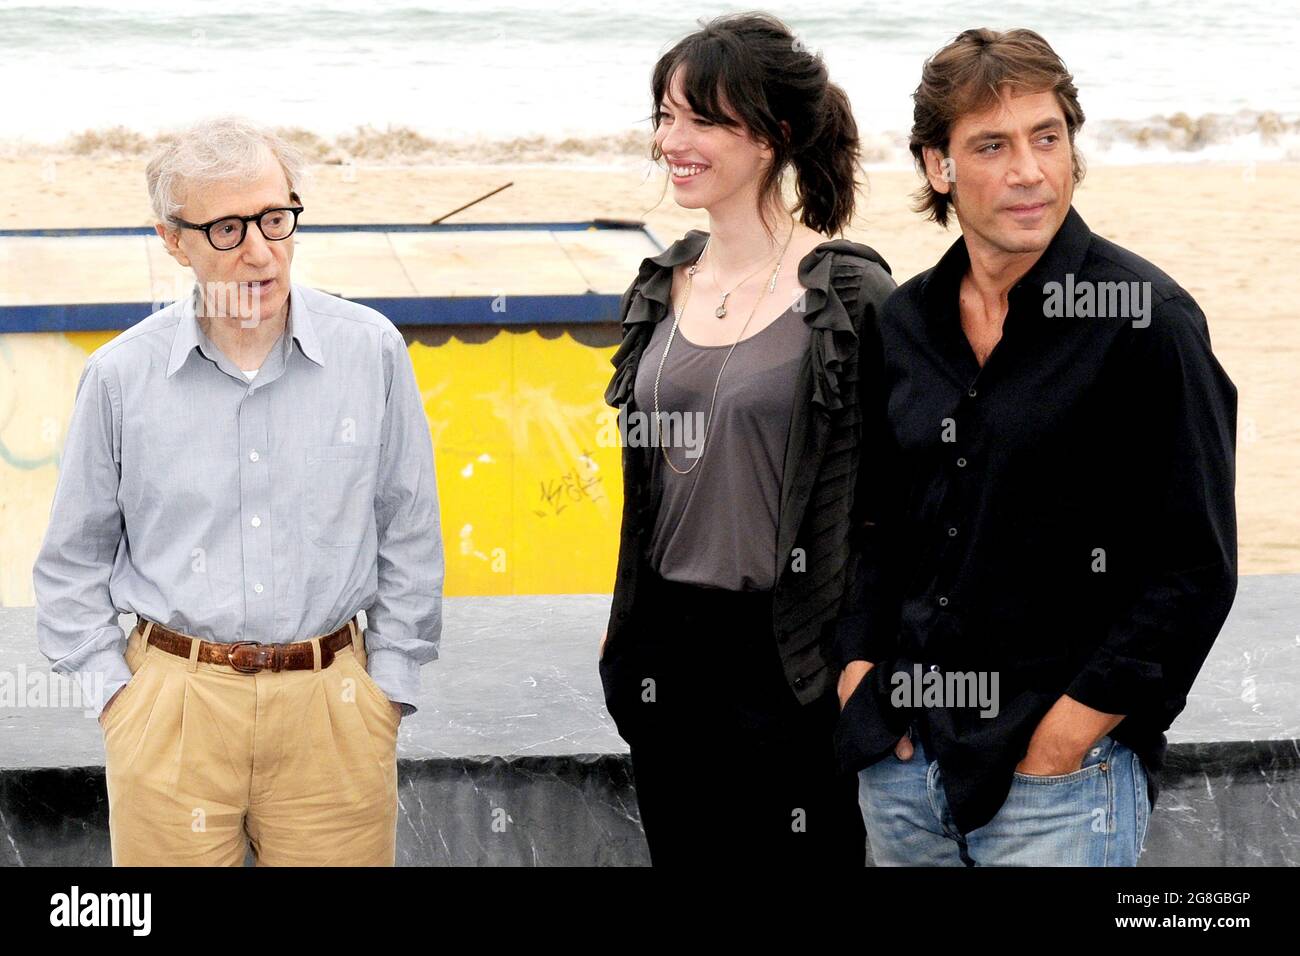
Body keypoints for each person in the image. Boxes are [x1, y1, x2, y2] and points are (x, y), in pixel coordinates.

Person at [832, 28, 1238, 866]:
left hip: (1061, 788)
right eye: (992, 145)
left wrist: (1064, 740)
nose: (1030, 171)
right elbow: (880, 528)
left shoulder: (1147, 323)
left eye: (1047, 138)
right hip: (905, 768)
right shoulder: (907, 325)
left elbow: (1194, 567)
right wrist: (861, 676)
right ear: (937, 166)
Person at [32, 116, 444, 866]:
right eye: (226, 228)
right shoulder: (121, 377)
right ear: (172, 240)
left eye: (276, 219)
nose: (260, 250)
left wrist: (388, 687)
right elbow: (70, 563)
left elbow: (408, 528)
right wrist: (121, 701)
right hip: (171, 713)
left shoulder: (372, 349)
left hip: (335, 710)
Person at [598, 13, 896, 865]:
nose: (671, 141)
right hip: (663, 650)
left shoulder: (848, 293)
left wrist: (862, 662)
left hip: (790, 655)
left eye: (701, 119)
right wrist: (625, 633)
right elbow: (648, 480)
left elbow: (891, 504)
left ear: (774, 137)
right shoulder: (663, 281)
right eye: (664, 115)